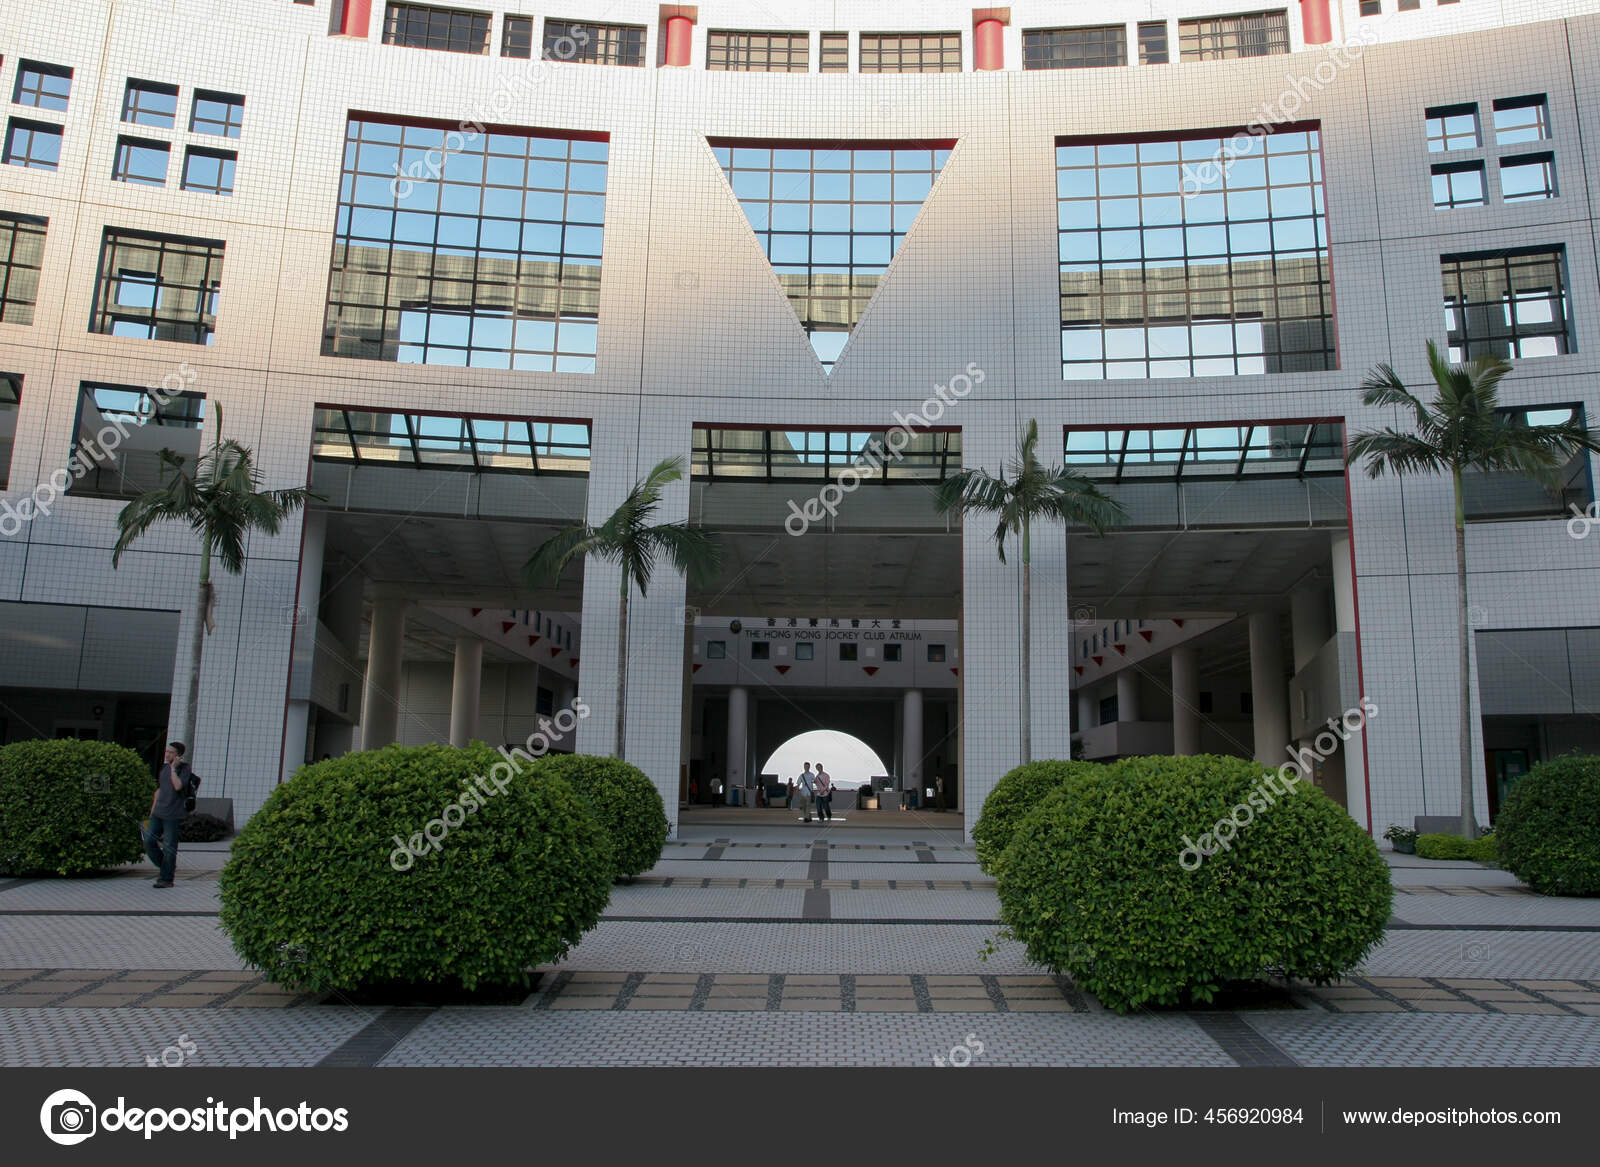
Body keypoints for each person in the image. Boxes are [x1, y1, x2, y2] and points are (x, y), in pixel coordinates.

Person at [144, 742, 192, 889]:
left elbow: (178, 786)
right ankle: (166, 866)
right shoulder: (164, 768)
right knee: (149, 841)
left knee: (169, 847)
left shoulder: (184, 769)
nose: (167, 754)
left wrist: (173, 768)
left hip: (173, 814)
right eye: (167, 752)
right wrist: (152, 810)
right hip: (158, 812)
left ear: (178, 755)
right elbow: (159, 791)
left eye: (171, 752)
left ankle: (166, 878)